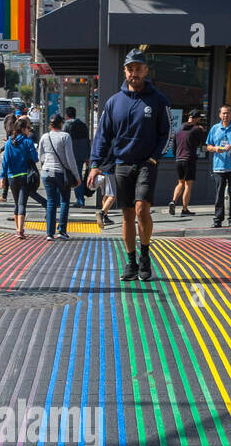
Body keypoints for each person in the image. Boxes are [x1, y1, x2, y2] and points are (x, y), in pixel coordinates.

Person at [87, 48, 172, 280]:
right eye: (130, 69)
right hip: (121, 164)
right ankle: (131, 261)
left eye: (138, 68)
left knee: (141, 209)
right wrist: (95, 164)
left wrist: (155, 157)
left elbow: (168, 134)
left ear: (146, 70)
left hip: (146, 163)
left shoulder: (158, 100)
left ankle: (145, 257)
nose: (134, 72)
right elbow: (102, 135)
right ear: (125, 72)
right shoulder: (114, 103)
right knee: (126, 215)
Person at [206, 104, 231, 231]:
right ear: (219, 115)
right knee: (219, 194)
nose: (225, 115)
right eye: (223, 113)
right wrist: (215, 148)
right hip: (219, 167)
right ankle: (218, 220)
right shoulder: (214, 128)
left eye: (228, 113)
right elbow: (208, 146)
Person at [38, 113, 79, 240]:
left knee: (51, 201)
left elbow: (40, 155)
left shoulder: (45, 136)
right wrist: (77, 176)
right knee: (64, 201)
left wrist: (46, 164)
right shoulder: (65, 137)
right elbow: (70, 159)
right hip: (61, 173)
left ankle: (49, 233)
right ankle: (61, 231)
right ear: (61, 123)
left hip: (47, 171)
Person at [0, 117, 40, 239]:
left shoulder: (8, 143)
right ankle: (20, 230)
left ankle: (18, 229)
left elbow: (5, 161)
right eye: (28, 128)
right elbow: (35, 158)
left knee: (17, 203)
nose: (29, 130)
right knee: (22, 203)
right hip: (24, 175)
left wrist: (3, 176)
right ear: (22, 129)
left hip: (12, 176)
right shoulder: (28, 142)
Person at [169, 110, 205, 216]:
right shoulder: (197, 129)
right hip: (189, 159)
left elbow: (173, 148)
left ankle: (173, 201)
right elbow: (202, 142)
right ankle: (184, 209)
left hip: (179, 159)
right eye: (199, 118)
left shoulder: (178, 129)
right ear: (196, 118)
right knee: (188, 185)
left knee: (180, 182)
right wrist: (202, 131)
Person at [62, 105, 90, 207]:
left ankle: (67, 199)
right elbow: (87, 140)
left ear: (66, 115)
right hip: (82, 155)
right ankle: (80, 199)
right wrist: (88, 156)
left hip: (70, 155)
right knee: (78, 176)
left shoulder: (66, 125)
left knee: (67, 177)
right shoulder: (83, 125)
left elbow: (63, 141)